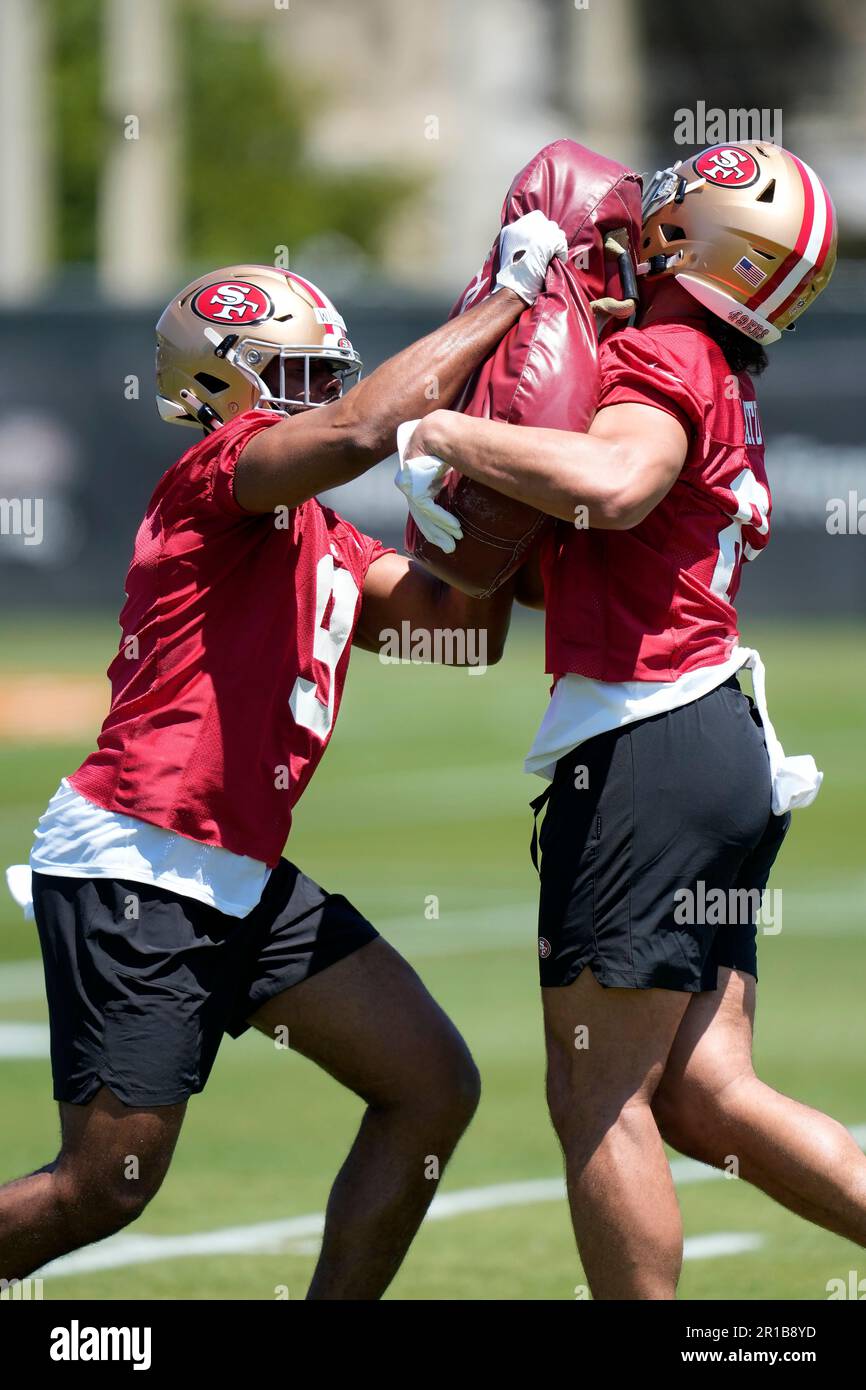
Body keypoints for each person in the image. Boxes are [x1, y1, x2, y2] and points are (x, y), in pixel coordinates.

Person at [0, 211, 568, 1298]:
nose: (320, 391)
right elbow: (359, 432)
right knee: (105, 1184)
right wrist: (504, 306)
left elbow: (464, 628)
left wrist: (489, 495)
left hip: (240, 873)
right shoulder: (216, 476)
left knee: (428, 1086)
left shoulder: (319, 535)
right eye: (297, 374)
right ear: (225, 385)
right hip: (141, 863)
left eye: (327, 374)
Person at [398, 142, 866, 1299]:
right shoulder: (716, 364)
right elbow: (595, 554)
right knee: (709, 1098)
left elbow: (614, 485)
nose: (632, 227)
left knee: (595, 1096)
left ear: (698, 240)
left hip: (646, 742)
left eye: (664, 212)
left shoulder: (663, 351)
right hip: (705, 736)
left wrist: (442, 434)